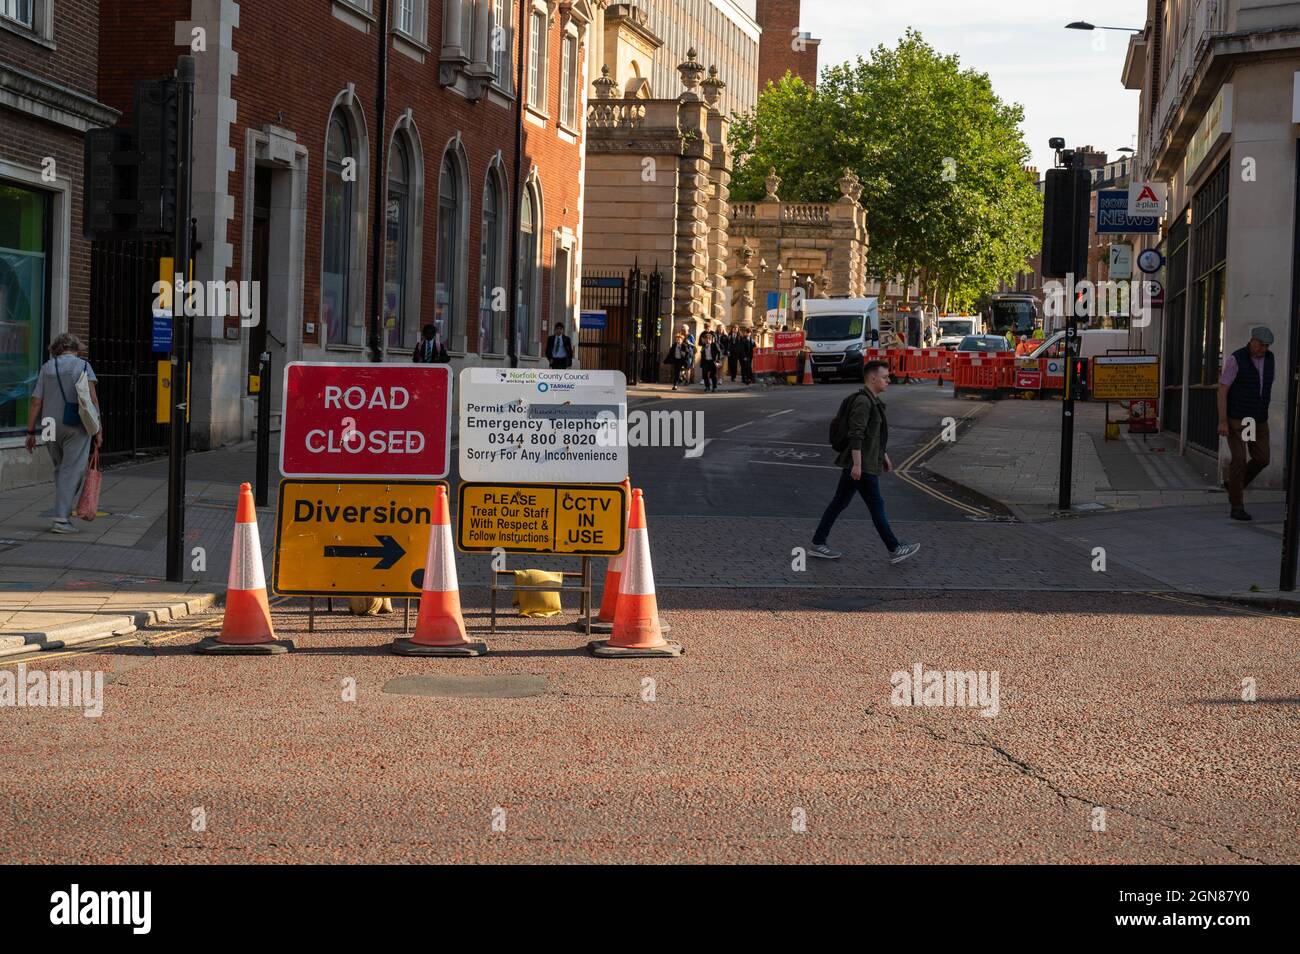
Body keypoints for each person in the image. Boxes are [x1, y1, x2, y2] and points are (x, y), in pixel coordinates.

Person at [808, 359, 920, 564]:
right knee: (876, 505)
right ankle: (894, 548)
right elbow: (856, 435)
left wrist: (883, 454)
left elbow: (873, 435)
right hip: (862, 465)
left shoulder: (872, 401)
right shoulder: (863, 402)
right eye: (885, 377)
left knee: (839, 502)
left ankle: (818, 542)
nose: (889, 380)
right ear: (873, 377)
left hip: (864, 461)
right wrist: (858, 464)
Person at [25, 333, 102, 534]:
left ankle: (62, 510)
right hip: (75, 423)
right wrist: (98, 430)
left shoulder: (47, 367)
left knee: (61, 468)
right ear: (76, 348)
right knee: (72, 470)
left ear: (56, 349)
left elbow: (36, 401)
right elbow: (92, 400)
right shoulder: (83, 366)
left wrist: (30, 431)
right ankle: (60, 518)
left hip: (49, 424)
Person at [1218, 326, 1275, 521]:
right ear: (1253, 341)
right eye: (1261, 345)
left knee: (1262, 459)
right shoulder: (1236, 359)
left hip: (1256, 420)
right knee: (1239, 460)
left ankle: (1234, 485)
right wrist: (1223, 421)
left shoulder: (1270, 359)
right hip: (1237, 419)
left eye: (1267, 346)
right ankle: (1237, 506)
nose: (1264, 349)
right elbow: (1222, 390)